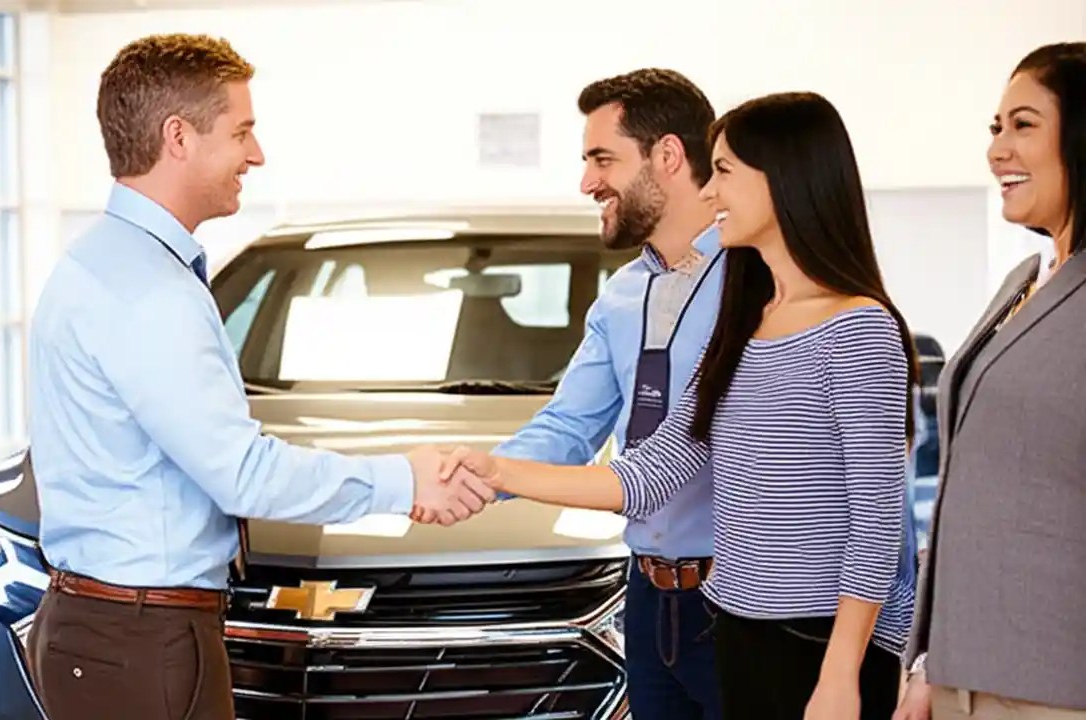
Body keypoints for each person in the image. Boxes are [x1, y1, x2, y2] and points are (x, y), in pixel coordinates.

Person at [22, 34, 490, 720]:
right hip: (143, 638)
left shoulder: (100, 261)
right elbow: (242, 474)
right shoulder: (150, 291)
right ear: (177, 137)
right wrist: (406, 478)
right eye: (241, 131)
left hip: (103, 626)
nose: (256, 154)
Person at [439, 92, 919, 720]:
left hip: (815, 636)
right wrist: (492, 471)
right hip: (728, 622)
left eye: (722, 172)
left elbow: (879, 517)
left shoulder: (856, 328)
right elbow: (650, 471)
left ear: (783, 182)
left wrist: (846, 670)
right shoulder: (744, 321)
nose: (710, 192)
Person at [421, 68, 729, 718]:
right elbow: (566, 428)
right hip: (646, 600)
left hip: (741, 598)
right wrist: (474, 478)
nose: (587, 181)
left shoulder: (758, 278)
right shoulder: (621, 297)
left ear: (668, 156)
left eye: (602, 159)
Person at [894, 41, 1086, 720]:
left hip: (1055, 687)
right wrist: (928, 661)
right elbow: (966, 496)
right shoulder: (1023, 283)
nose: (998, 148)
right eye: (995, 128)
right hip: (963, 678)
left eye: (1024, 125)